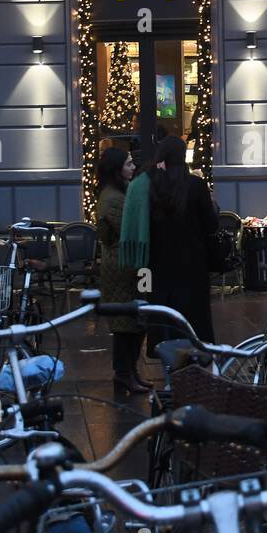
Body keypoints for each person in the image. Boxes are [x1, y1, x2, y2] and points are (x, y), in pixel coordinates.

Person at [146, 136, 218, 352]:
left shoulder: (152, 185)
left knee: (164, 311)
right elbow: (211, 224)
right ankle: (196, 350)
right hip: (192, 261)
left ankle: (166, 351)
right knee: (195, 313)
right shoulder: (196, 185)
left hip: (159, 261)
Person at [96, 146, 151, 394]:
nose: (133, 167)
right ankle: (124, 374)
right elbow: (129, 230)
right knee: (125, 324)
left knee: (138, 319)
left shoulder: (121, 192)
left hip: (131, 266)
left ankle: (131, 372)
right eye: (128, 163)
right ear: (116, 168)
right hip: (124, 268)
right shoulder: (115, 198)